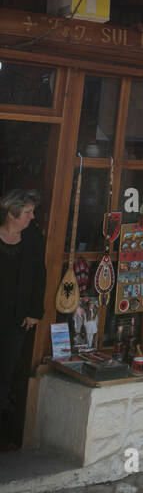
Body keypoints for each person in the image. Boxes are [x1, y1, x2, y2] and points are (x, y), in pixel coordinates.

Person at [0, 189, 45, 450]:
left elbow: (40, 275)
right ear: (11, 213)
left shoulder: (32, 238)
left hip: (15, 319)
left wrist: (34, 312)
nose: (32, 216)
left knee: (5, 373)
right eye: (27, 212)